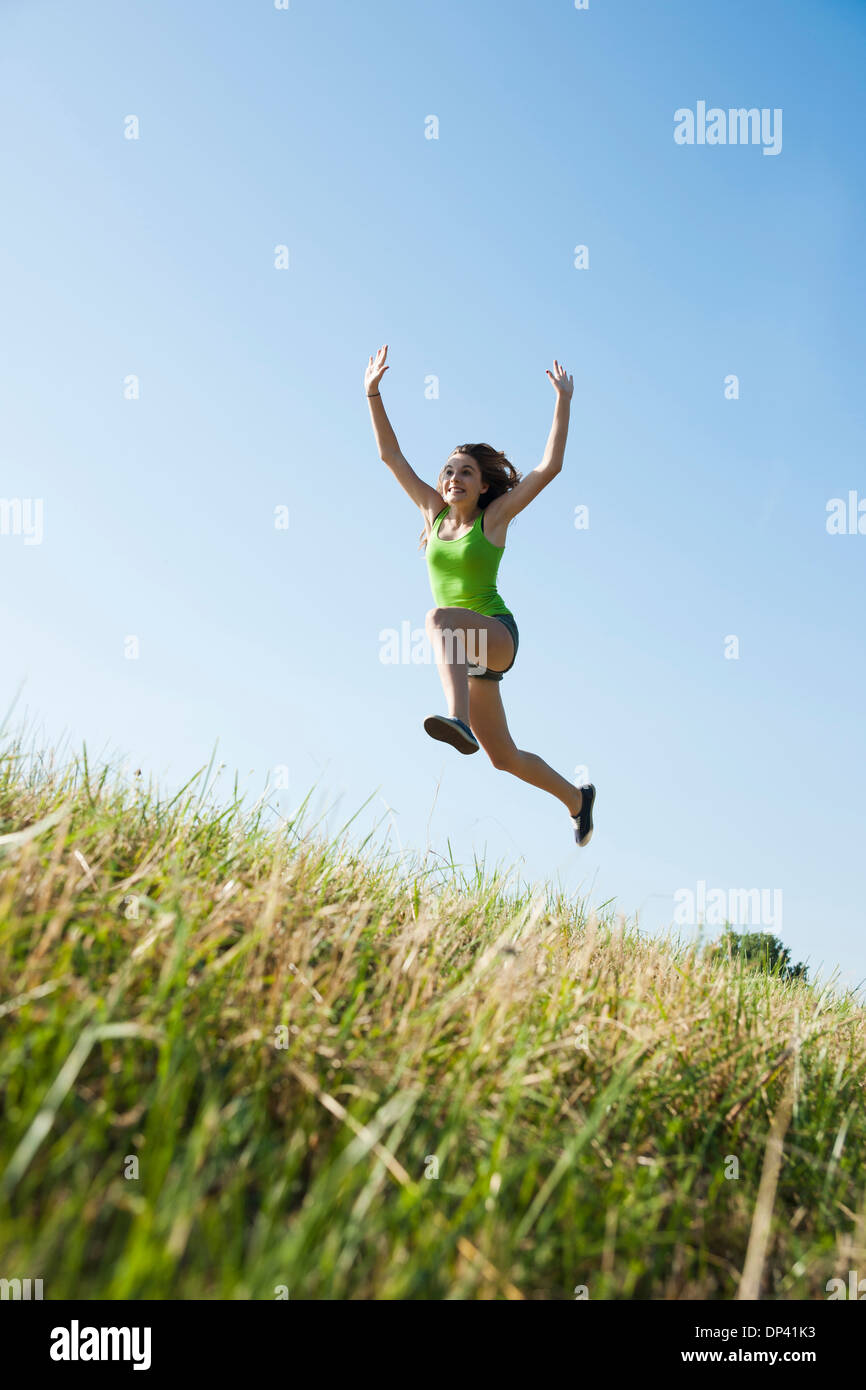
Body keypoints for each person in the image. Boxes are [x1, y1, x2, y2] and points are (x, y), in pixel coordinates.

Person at [364, 344, 595, 847]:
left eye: (466, 471)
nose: (453, 478)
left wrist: (564, 401)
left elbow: (549, 466)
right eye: (448, 470)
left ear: (484, 484)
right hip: (468, 661)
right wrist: (373, 392)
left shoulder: (494, 520)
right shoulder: (433, 514)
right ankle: (579, 802)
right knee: (504, 758)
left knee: (438, 619)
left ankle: (457, 719)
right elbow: (390, 455)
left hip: (496, 636)